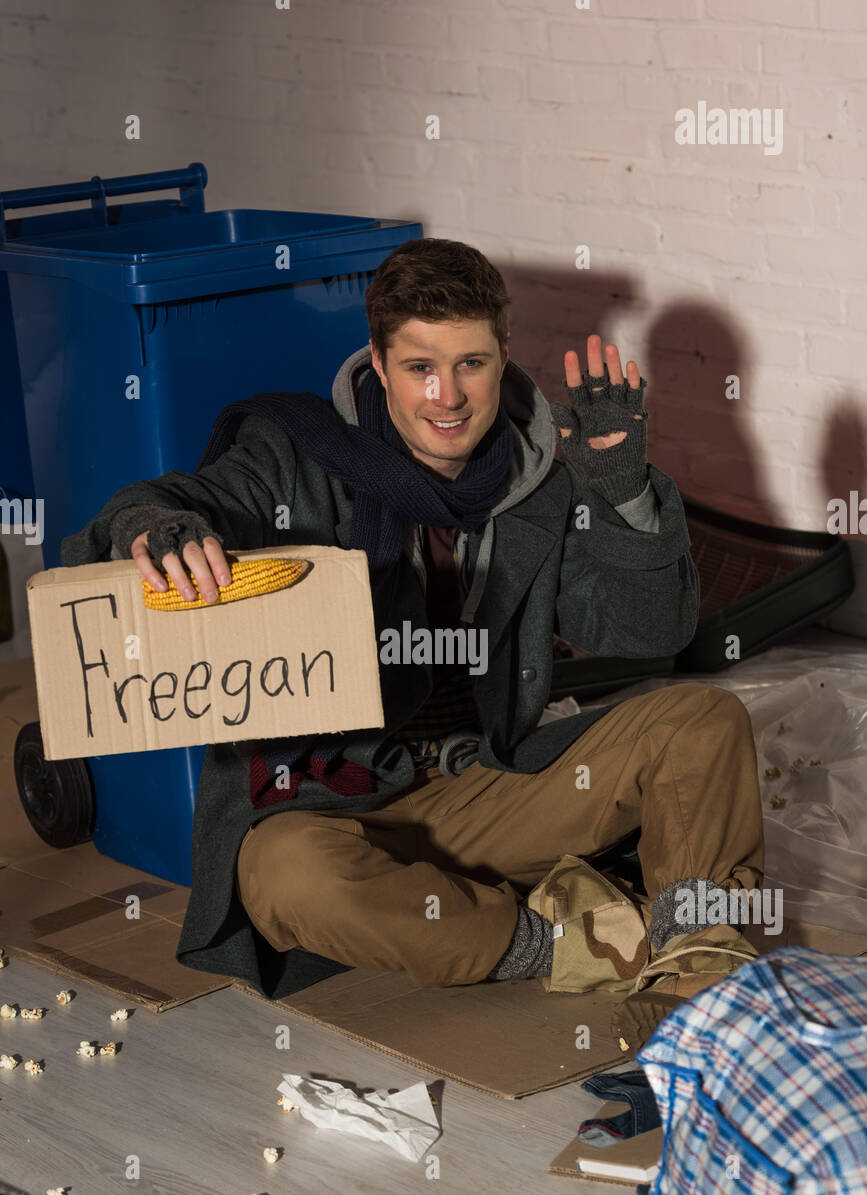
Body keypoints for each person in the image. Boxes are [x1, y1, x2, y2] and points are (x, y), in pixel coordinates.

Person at [61, 237, 764, 998]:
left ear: (503, 356)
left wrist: (624, 498)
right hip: (336, 804)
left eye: (470, 364)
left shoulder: (541, 476)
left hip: (490, 781)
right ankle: (564, 939)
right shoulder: (295, 456)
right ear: (377, 360)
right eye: (420, 367)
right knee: (286, 876)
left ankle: (699, 955)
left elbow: (647, 634)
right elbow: (167, 503)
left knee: (702, 721)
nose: (447, 397)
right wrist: (154, 527)